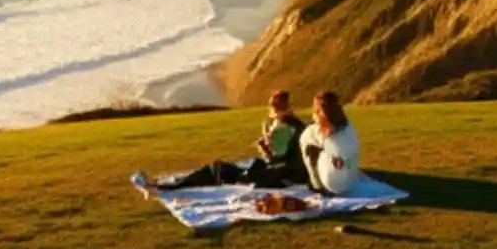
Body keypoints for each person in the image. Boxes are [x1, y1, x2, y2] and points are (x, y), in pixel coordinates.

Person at [135, 90, 306, 193]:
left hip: (278, 176)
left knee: (218, 171)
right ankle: (169, 185)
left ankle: (168, 187)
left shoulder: (286, 129)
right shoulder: (294, 125)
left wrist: (263, 146)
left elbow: (275, 161)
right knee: (221, 168)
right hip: (280, 171)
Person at [298, 90, 362, 196]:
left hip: (332, 183)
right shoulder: (348, 125)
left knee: (307, 144)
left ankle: (317, 185)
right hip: (352, 181)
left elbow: (307, 139)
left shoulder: (316, 131)